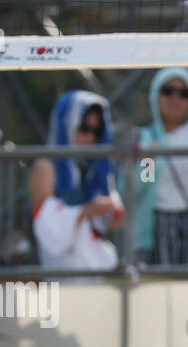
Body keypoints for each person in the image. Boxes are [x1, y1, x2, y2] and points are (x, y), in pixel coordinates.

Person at [134, 68, 188, 265]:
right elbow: (138, 188)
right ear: (156, 97)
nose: (175, 98)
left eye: (184, 93)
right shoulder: (145, 138)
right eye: (168, 90)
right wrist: (150, 160)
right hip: (157, 228)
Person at [29, 90, 125, 271]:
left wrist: (111, 215)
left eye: (97, 132)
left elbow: (143, 185)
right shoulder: (46, 165)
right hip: (63, 267)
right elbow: (44, 222)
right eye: (84, 129)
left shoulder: (98, 167)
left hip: (97, 266)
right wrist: (87, 211)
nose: (91, 138)